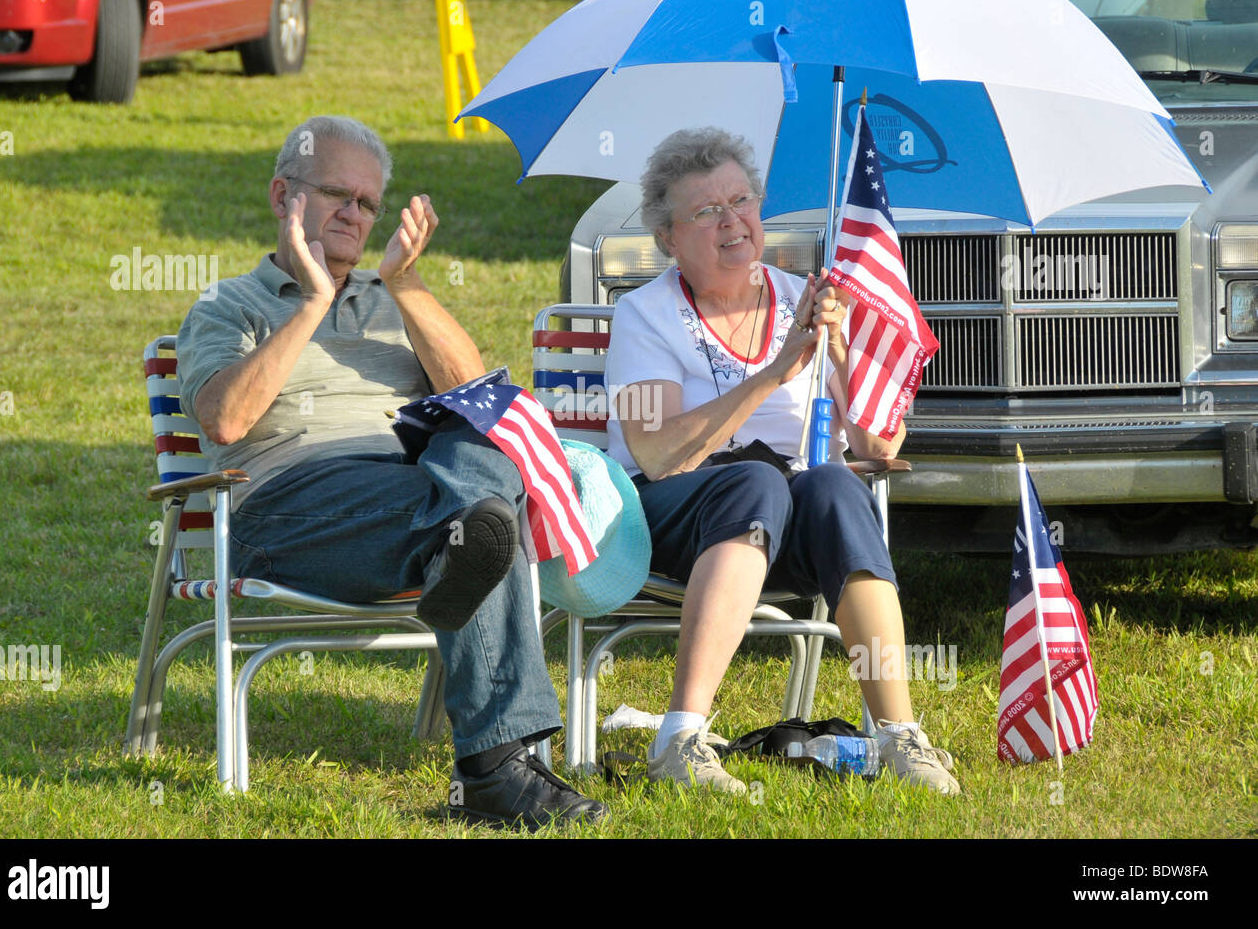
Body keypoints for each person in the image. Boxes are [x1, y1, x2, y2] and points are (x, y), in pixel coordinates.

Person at [177, 115, 606, 829]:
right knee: (478, 513)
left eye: (368, 203)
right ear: (284, 195)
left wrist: (404, 284)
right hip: (291, 509)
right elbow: (225, 421)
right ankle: (498, 768)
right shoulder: (230, 306)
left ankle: (465, 554)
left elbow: (477, 391)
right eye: (336, 193)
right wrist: (312, 302)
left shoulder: (389, 298)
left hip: (415, 495)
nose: (355, 212)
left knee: (486, 454)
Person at [604, 127, 959, 795]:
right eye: (707, 211)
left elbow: (878, 449)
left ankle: (897, 735)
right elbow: (656, 452)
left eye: (741, 200)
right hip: (672, 522)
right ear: (669, 238)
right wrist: (773, 373)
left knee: (834, 485)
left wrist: (841, 354)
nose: (732, 221)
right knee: (758, 481)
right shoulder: (645, 315)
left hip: (786, 526)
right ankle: (680, 736)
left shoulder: (808, 301)